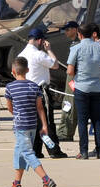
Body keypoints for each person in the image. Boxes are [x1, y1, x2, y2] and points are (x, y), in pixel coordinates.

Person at [6, 56, 56, 187]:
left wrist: (17, 115)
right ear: (27, 70)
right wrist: (44, 125)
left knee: (27, 153)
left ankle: (46, 179)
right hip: (32, 125)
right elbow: (40, 108)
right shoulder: (34, 86)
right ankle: (17, 183)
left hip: (20, 125)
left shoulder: (10, 87)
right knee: (19, 152)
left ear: (13, 71)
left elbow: (10, 108)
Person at [18, 26, 67, 159]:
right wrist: (49, 50)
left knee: (34, 122)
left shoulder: (21, 55)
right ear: (40, 41)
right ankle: (54, 150)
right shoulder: (39, 54)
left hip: (26, 90)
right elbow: (55, 64)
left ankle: (35, 150)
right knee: (47, 121)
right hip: (40, 90)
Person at [67, 21, 100, 159]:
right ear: (93, 34)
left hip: (81, 87)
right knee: (98, 120)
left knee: (82, 120)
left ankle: (84, 151)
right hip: (98, 87)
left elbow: (70, 71)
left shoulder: (76, 48)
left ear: (79, 34)